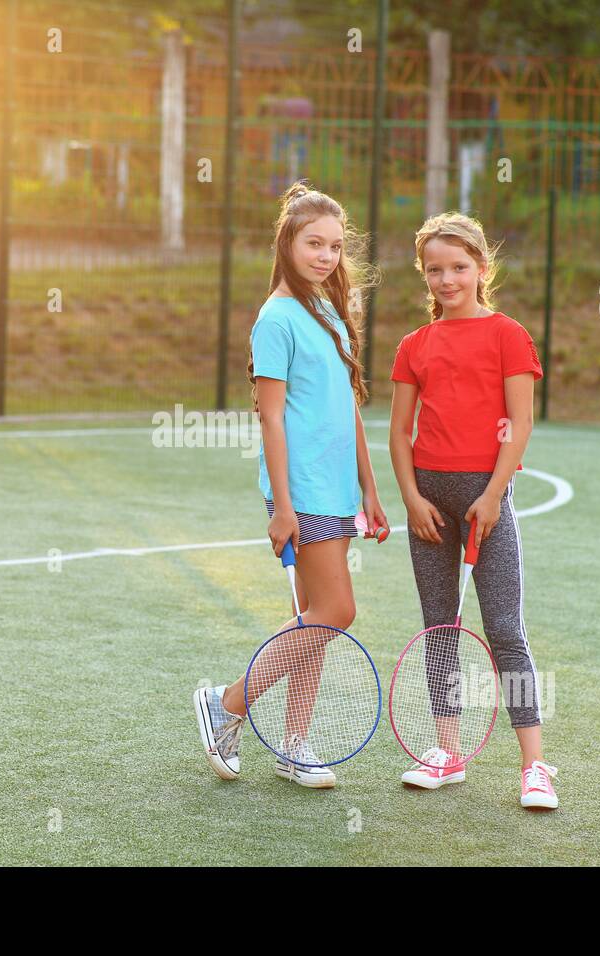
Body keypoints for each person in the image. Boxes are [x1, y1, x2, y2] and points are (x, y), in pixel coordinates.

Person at [193, 181, 388, 789]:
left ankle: (295, 743)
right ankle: (225, 704)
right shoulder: (275, 319)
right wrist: (282, 505)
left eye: (334, 246)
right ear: (288, 243)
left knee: (315, 622)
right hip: (300, 492)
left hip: (337, 491)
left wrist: (371, 490)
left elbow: (347, 408)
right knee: (336, 611)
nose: (326, 256)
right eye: (314, 244)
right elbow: (271, 417)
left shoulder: (327, 311)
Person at [387, 211, 560, 810]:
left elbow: (522, 424)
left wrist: (492, 494)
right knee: (440, 626)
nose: (447, 279)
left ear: (482, 269)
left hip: (487, 499)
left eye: (459, 267)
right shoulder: (415, 345)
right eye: (435, 269)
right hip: (429, 505)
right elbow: (399, 433)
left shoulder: (508, 335)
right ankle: (447, 753)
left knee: (505, 630)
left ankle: (535, 766)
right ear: (424, 274)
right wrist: (411, 499)